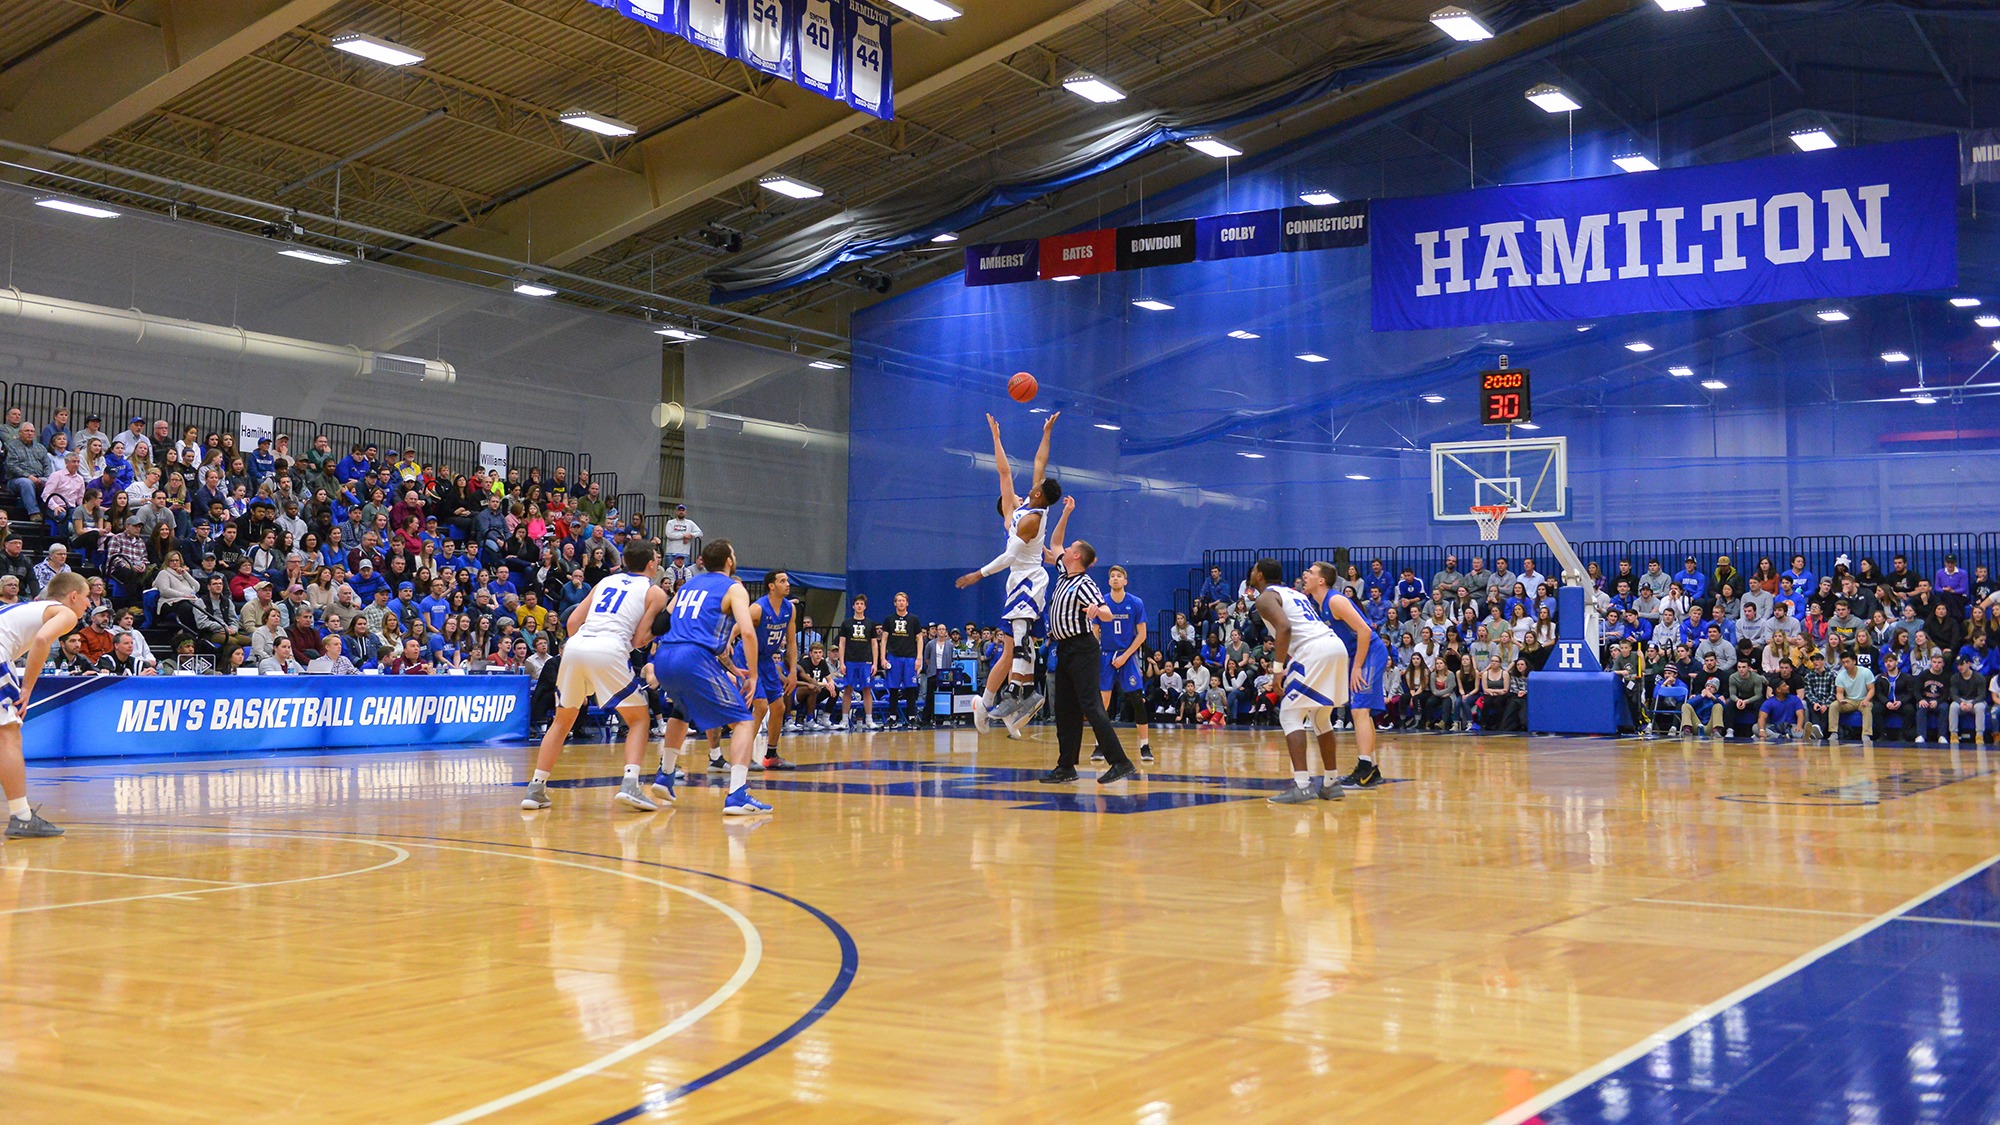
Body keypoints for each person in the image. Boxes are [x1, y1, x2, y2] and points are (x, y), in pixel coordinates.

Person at [521, 543, 668, 813]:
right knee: (639, 719)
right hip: (609, 647)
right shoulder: (655, 592)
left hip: (577, 646)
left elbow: (572, 622)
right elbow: (637, 640)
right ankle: (630, 784)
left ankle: (536, 788)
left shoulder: (606, 581)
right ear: (651, 564)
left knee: (562, 721)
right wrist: (656, 632)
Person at [956, 411, 1062, 736]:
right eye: (1011, 496)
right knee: (1014, 648)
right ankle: (997, 703)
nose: (1018, 492)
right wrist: (998, 438)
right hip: (1022, 586)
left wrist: (1039, 435)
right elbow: (1008, 470)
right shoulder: (1015, 515)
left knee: (1021, 646)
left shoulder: (1031, 514)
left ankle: (1008, 700)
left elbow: (1031, 467)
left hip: (1029, 585)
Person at [648, 539, 772, 815]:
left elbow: (663, 624)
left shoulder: (689, 585)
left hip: (665, 656)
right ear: (729, 561)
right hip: (693, 658)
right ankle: (738, 794)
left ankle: (665, 775)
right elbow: (748, 631)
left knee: (681, 710)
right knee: (743, 721)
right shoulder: (733, 588)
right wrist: (752, 675)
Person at [1036, 531, 1137, 786]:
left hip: (1083, 648)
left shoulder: (1084, 583)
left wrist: (1097, 610)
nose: (1065, 549)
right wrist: (1067, 511)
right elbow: (1056, 542)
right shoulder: (1063, 573)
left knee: (1091, 705)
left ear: (1077, 556)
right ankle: (1066, 766)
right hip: (1066, 649)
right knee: (1064, 709)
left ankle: (1120, 761)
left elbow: (1106, 613)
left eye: (1071, 548)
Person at [0, 573, 89, 836]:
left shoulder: (27, 606)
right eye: (86, 598)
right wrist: (27, 687)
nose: (87, 605)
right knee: (8, 735)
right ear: (73, 596)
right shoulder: (66, 613)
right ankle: (22, 816)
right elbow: (42, 640)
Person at [1318, 561, 1389, 791]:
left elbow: (1366, 630)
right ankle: (1372, 768)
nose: (1305, 575)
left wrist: (1356, 667)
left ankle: (1364, 768)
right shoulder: (1320, 605)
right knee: (1362, 711)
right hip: (1358, 655)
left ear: (1321, 580)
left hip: (1368, 653)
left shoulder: (1335, 600)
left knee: (1359, 709)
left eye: (1310, 572)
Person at [1095, 564, 1152, 763]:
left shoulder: (1135, 603)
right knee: (1103, 702)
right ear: (1109, 581)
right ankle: (1100, 745)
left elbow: (1142, 634)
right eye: (1112, 576)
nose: (1116, 579)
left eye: (1119, 576)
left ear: (1125, 581)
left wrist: (1126, 656)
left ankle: (1144, 744)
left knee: (1137, 700)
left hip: (1127, 656)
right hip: (1106, 656)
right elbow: (1095, 633)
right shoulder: (1101, 602)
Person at [746, 569, 799, 769]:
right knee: (760, 706)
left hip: (767, 659)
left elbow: (792, 642)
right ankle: (743, 756)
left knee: (779, 708)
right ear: (771, 585)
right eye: (783, 581)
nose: (788, 584)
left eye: (787, 580)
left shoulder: (789, 609)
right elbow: (736, 629)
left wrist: (792, 671)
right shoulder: (758, 608)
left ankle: (771, 755)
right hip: (748, 656)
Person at [834, 595, 881, 730]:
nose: (859, 606)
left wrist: (874, 663)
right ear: (853, 606)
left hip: (866, 661)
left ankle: (869, 719)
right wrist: (841, 662)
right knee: (848, 689)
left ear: (865, 607)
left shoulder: (870, 623)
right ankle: (844, 719)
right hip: (850, 661)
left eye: (862, 604)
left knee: (867, 690)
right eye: (857, 603)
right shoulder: (846, 623)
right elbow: (842, 644)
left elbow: (874, 644)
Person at [879, 591, 923, 729]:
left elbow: (920, 638)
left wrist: (919, 657)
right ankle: (892, 717)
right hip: (894, 657)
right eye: (898, 600)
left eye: (903, 600)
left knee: (911, 688)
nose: (901, 603)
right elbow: (884, 639)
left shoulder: (914, 619)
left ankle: (911, 717)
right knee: (893, 688)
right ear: (894, 603)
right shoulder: (889, 619)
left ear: (907, 603)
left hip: (910, 658)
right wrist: (883, 658)